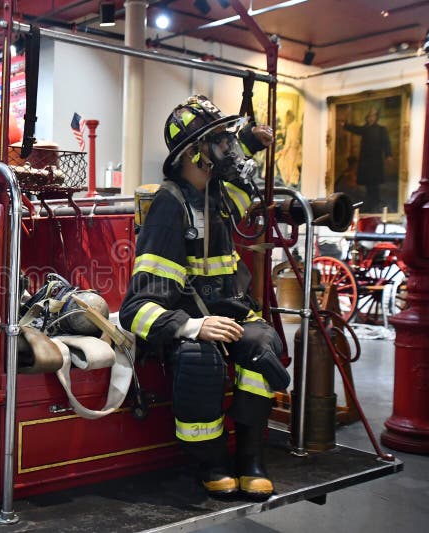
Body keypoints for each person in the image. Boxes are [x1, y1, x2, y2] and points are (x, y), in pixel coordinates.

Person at [119, 95, 289, 500]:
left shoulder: (219, 199)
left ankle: (251, 459)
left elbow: (238, 177)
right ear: (195, 153)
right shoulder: (169, 205)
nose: (227, 148)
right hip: (191, 322)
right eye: (218, 140)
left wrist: (248, 139)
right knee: (201, 357)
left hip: (232, 314)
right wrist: (193, 326)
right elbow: (135, 310)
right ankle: (211, 463)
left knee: (262, 345)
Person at [341, 108, 392, 212]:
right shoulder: (365, 129)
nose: (370, 118)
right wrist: (345, 125)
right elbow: (355, 129)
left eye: (372, 116)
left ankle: (375, 201)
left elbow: (386, 143)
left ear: (376, 118)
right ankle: (371, 201)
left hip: (376, 161)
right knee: (369, 182)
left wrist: (388, 155)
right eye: (369, 116)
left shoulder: (381, 129)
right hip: (366, 161)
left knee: (374, 182)